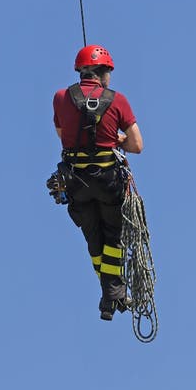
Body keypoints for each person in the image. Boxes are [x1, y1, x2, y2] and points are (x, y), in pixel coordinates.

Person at [53, 44, 143, 320]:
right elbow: (137, 145)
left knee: (94, 239)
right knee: (112, 237)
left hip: (76, 182)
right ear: (103, 72)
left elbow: (62, 134)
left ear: (81, 71)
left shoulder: (60, 98)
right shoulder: (118, 101)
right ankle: (112, 294)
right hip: (108, 182)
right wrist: (116, 140)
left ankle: (110, 295)